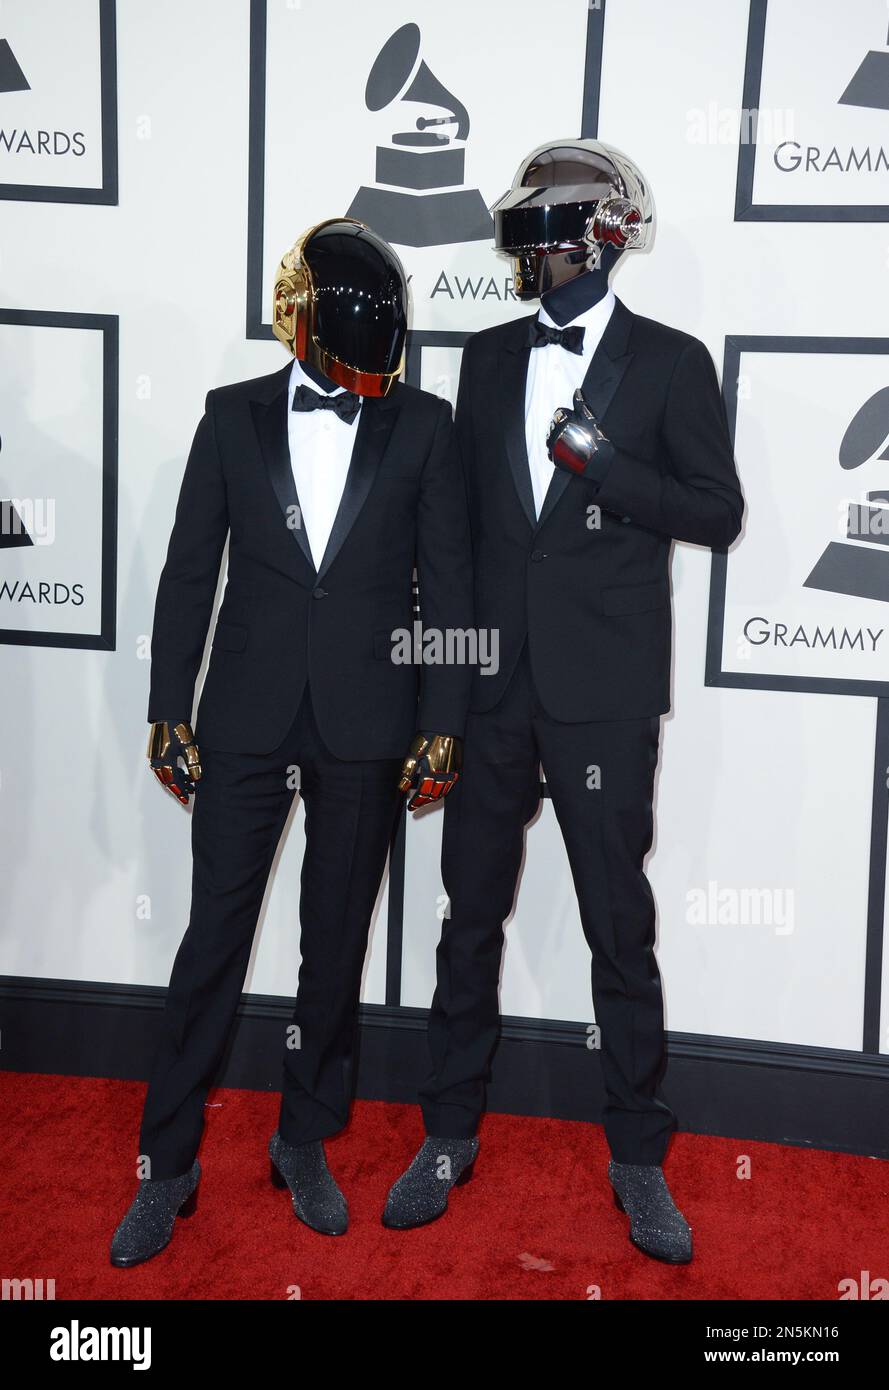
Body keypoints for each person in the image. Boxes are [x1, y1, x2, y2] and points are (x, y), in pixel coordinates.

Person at [383, 141, 744, 1263]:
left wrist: (603, 468)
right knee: (466, 921)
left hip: (601, 697)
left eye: (540, 227)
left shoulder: (674, 363)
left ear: (597, 232)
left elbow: (717, 512)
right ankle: (447, 1134)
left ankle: (636, 1157)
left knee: (616, 928)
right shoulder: (484, 360)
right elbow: (462, 537)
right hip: (491, 688)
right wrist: (439, 681)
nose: (523, 250)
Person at [110, 218, 472, 1266]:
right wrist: (167, 702)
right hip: (245, 717)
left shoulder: (426, 428)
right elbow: (190, 572)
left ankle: (302, 1138)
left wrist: (442, 721)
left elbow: (448, 589)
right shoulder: (230, 417)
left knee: (332, 949)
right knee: (209, 944)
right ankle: (166, 1165)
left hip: (368, 724)